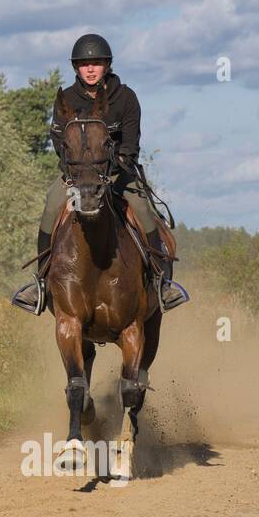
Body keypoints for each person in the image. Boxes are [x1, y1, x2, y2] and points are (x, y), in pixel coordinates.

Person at [18, 34, 184, 312]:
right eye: (85, 64)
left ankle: (161, 282)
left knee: (142, 208)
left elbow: (131, 142)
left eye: (96, 63)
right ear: (76, 68)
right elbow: (59, 140)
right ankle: (41, 284)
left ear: (107, 65)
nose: (91, 69)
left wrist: (115, 164)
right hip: (77, 176)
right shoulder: (67, 99)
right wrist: (77, 171)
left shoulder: (125, 98)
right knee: (50, 205)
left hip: (118, 174)